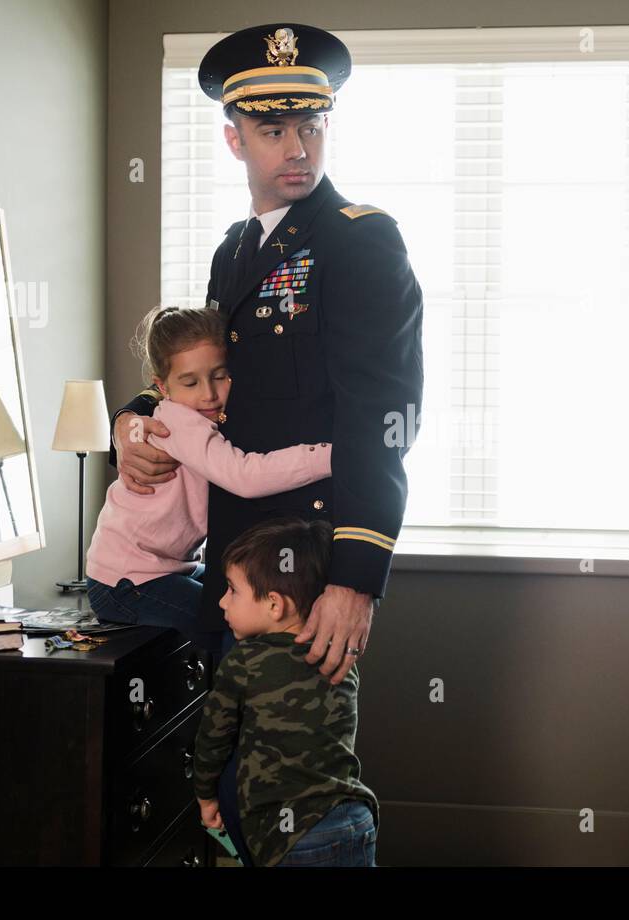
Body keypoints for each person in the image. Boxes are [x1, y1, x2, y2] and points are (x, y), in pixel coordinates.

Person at [106, 23, 422, 866]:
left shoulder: (359, 238)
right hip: (233, 559)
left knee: (302, 799)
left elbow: (386, 415)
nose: (297, 148)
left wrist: (355, 580)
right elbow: (201, 375)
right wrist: (132, 421)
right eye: (275, 130)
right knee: (241, 792)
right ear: (233, 137)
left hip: (308, 565)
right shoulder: (236, 251)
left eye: (311, 125)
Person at [86, 306, 331, 634]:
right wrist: (329, 457)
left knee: (234, 595)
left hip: (170, 568)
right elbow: (244, 476)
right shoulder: (179, 422)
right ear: (163, 387)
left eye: (219, 376)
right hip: (126, 581)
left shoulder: (209, 418)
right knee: (227, 618)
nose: (209, 394)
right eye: (190, 382)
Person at [194, 515, 379, 867]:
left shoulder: (244, 661)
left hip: (293, 837)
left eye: (232, 590)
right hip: (355, 819)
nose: (222, 602)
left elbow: (212, 739)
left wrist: (205, 797)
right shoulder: (337, 655)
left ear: (275, 605)